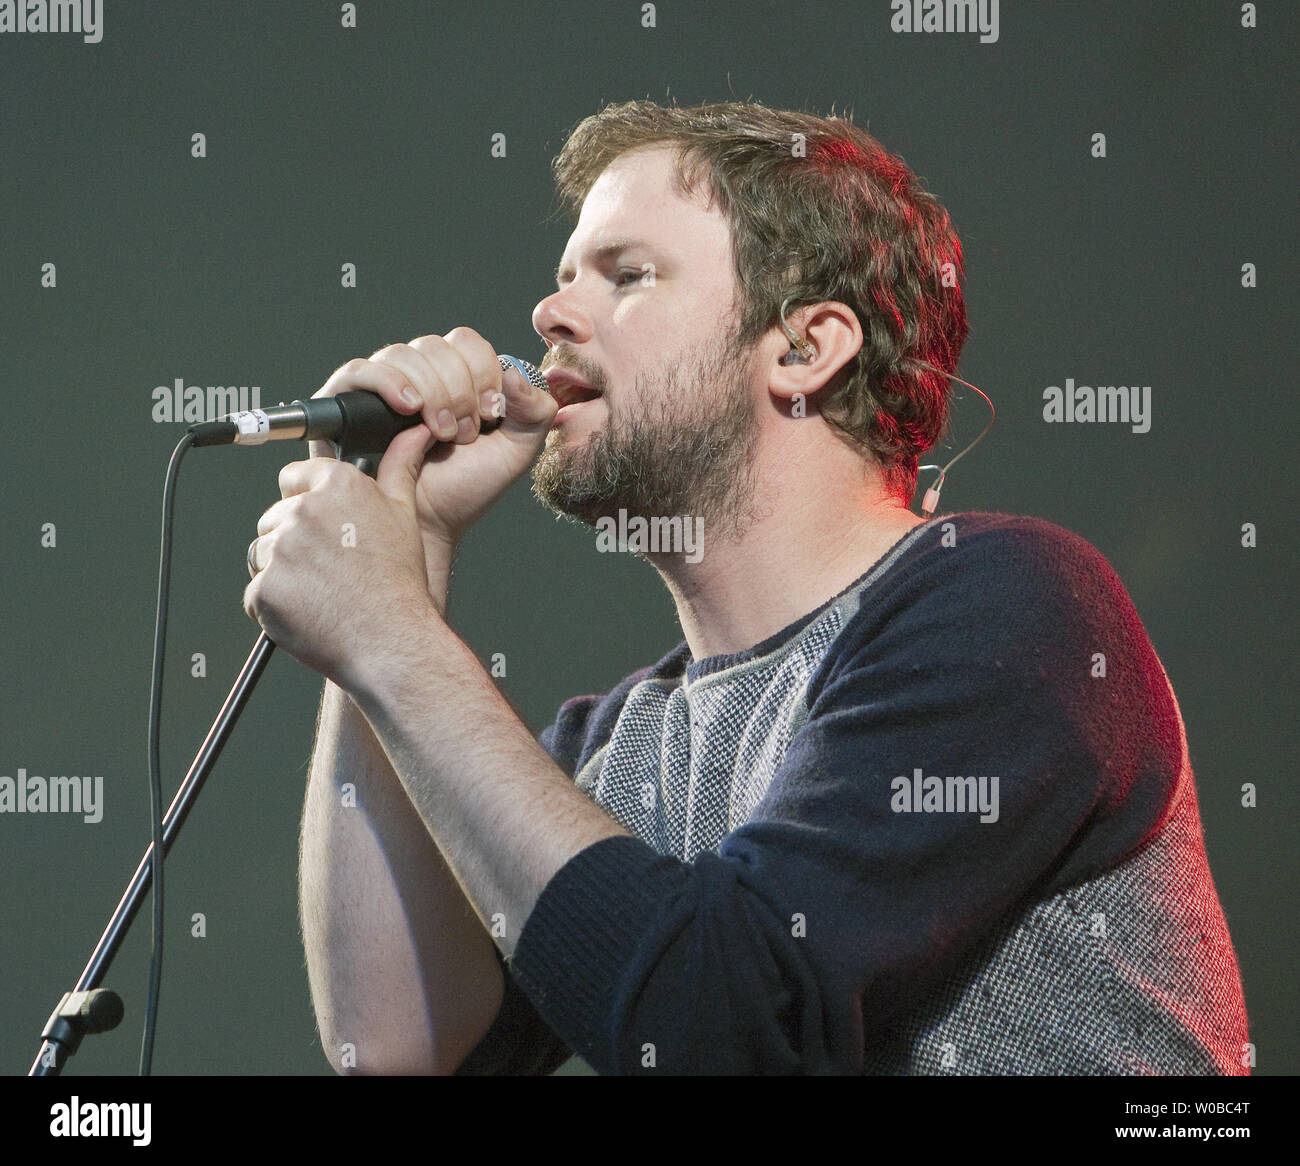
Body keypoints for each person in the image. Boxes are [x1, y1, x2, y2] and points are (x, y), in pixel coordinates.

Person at [244, 100, 1249, 1075]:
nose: (549, 314)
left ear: (805, 347)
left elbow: (723, 1019)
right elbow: (395, 1049)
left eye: (625, 275)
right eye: (561, 278)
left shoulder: (1011, 601)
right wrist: (403, 552)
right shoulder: (617, 747)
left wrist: (393, 637)